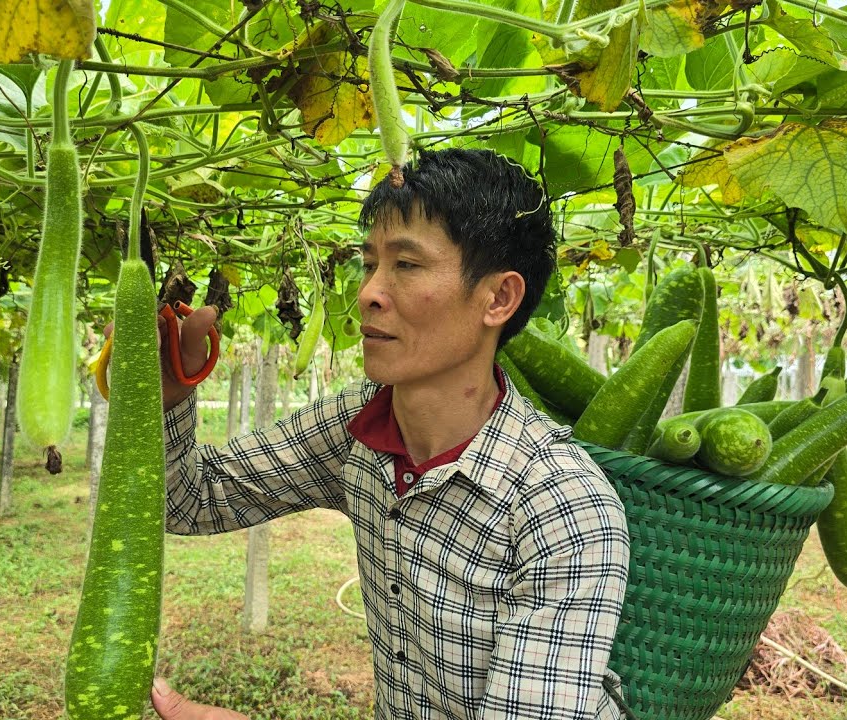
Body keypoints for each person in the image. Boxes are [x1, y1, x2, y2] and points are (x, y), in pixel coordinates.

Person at [148, 148, 630, 719]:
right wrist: (170, 394)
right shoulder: (357, 426)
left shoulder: (565, 510)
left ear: (498, 298)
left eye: (405, 264)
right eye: (370, 262)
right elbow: (189, 500)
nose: (368, 292)